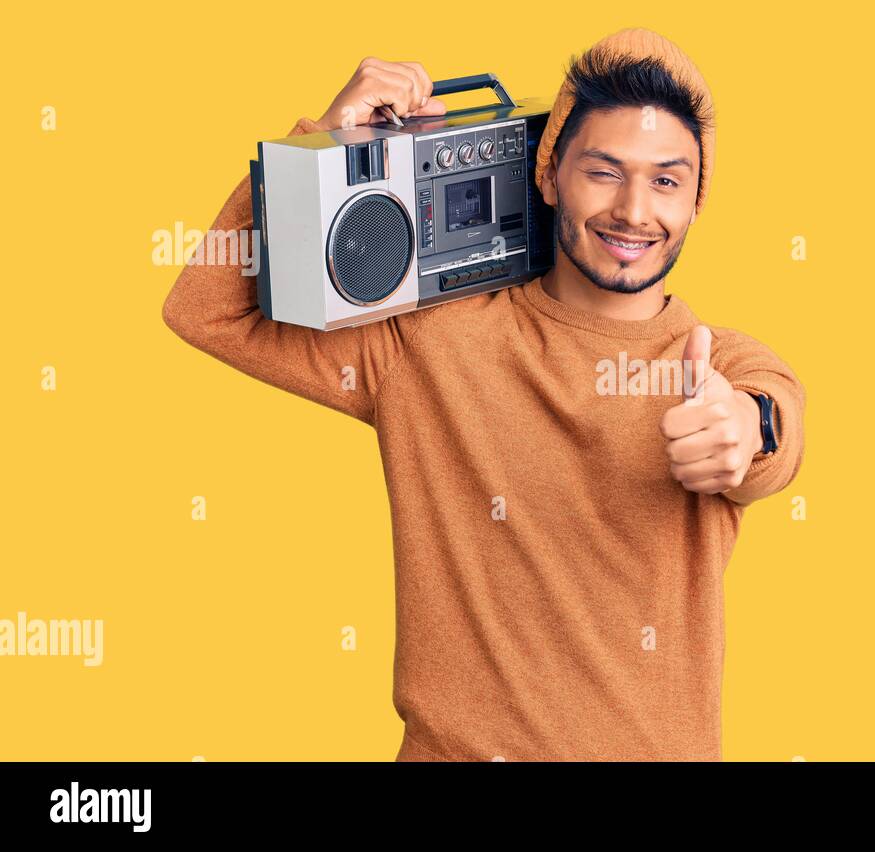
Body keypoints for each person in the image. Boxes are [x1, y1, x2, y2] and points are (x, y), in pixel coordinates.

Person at [162, 27, 805, 761]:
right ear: (548, 173)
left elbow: (770, 428)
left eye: (666, 180)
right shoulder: (426, 339)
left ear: (696, 202)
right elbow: (203, 307)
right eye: (604, 171)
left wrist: (747, 431)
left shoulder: (719, 367)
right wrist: (320, 152)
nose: (634, 210)